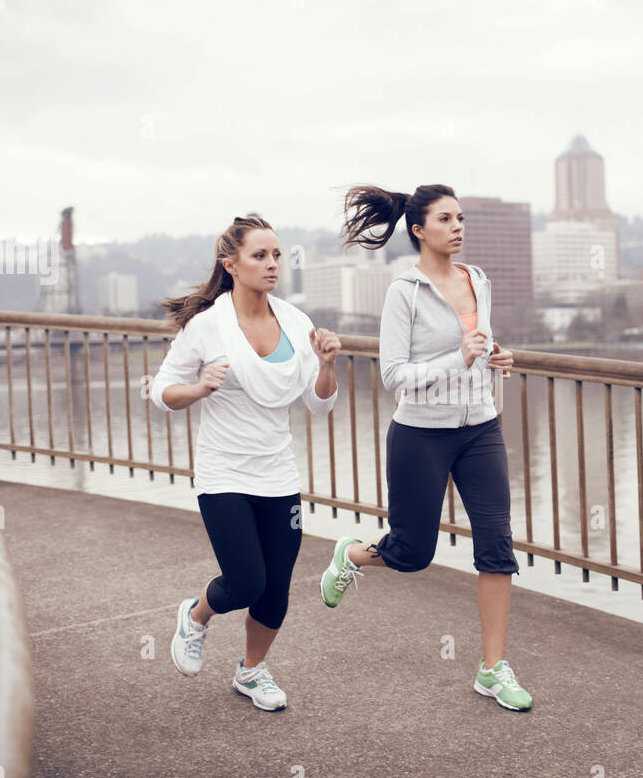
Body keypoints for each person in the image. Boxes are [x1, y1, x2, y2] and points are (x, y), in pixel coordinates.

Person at [318, 184, 532, 711]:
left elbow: (478, 346)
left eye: (460, 218)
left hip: (481, 428)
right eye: (445, 219)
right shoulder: (403, 293)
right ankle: (353, 554)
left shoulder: (477, 279)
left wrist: (494, 357)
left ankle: (493, 668)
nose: (458, 227)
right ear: (419, 230)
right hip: (420, 434)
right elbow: (394, 376)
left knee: (497, 546)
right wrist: (456, 359)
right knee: (414, 553)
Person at [152, 215, 340, 711]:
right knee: (246, 581)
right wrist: (199, 387)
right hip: (224, 474)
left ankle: (251, 672)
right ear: (230, 264)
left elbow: (318, 406)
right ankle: (195, 617)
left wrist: (327, 365)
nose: (272, 263)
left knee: (276, 588)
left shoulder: (296, 323)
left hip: (278, 474)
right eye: (260, 255)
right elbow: (161, 391)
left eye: (277, 255)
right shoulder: (207, 326)